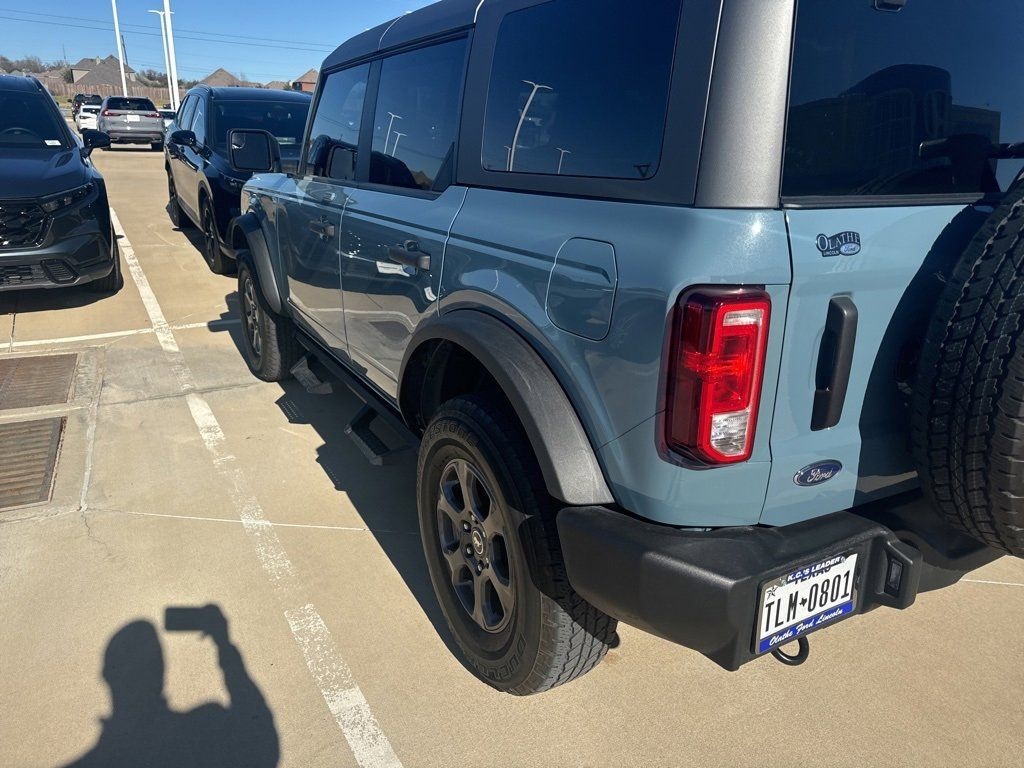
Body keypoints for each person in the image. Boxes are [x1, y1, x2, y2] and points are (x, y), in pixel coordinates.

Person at [62, 606, 279, 768]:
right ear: (162, 672)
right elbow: (263, 736)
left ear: (106, 677)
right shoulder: (208, 729)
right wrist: (223, 643)